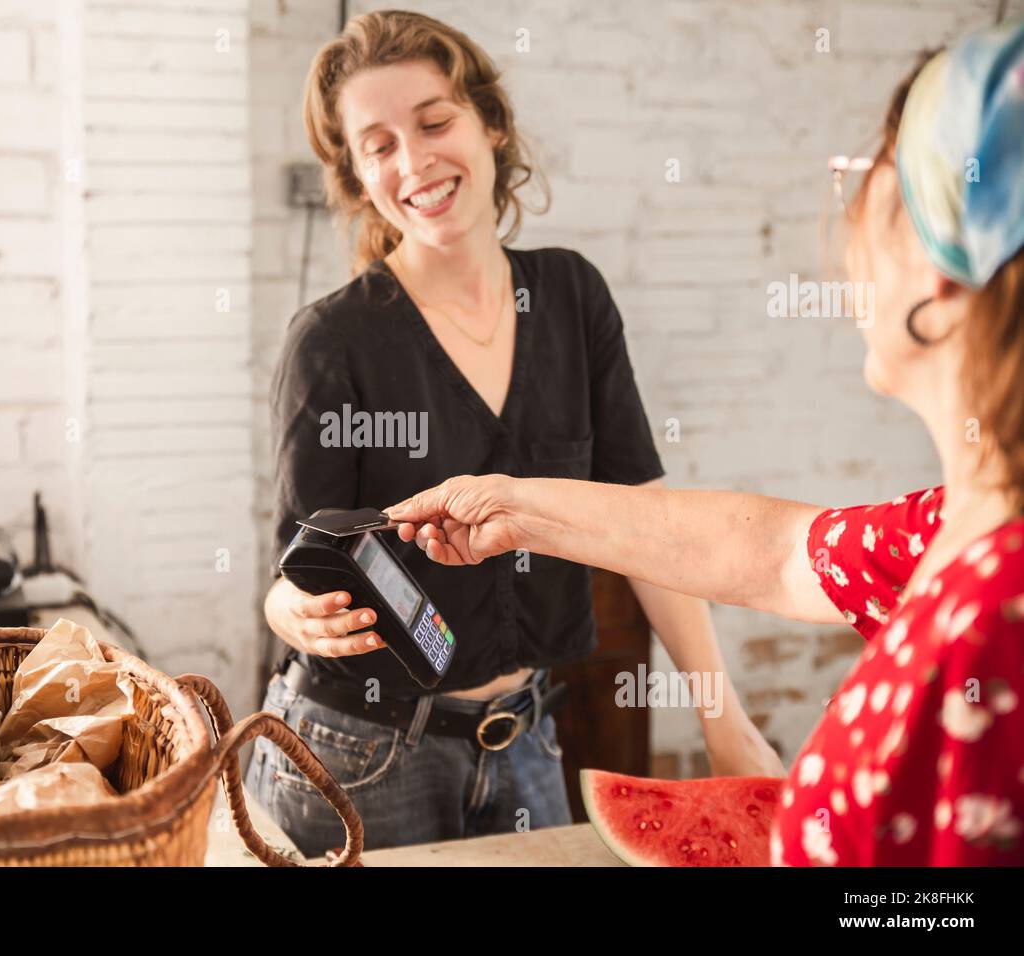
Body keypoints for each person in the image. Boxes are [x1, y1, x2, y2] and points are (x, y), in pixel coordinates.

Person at [387, 21, 1024, 866]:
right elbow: (771, 551)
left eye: (868, 182)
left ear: (941, 277)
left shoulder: (992, 625)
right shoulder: (954, 532)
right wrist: (514, 506)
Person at [245, 9, 778, 859]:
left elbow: (649, 524)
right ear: (356, 173)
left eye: (433, 122)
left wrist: (724, 716)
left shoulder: (571, 297)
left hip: (524, 738)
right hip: (358, 753)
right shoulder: (333, 340)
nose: (414, 162)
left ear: (490, 123)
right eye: (378, 144)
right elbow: (290, 567)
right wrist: (293, 609)